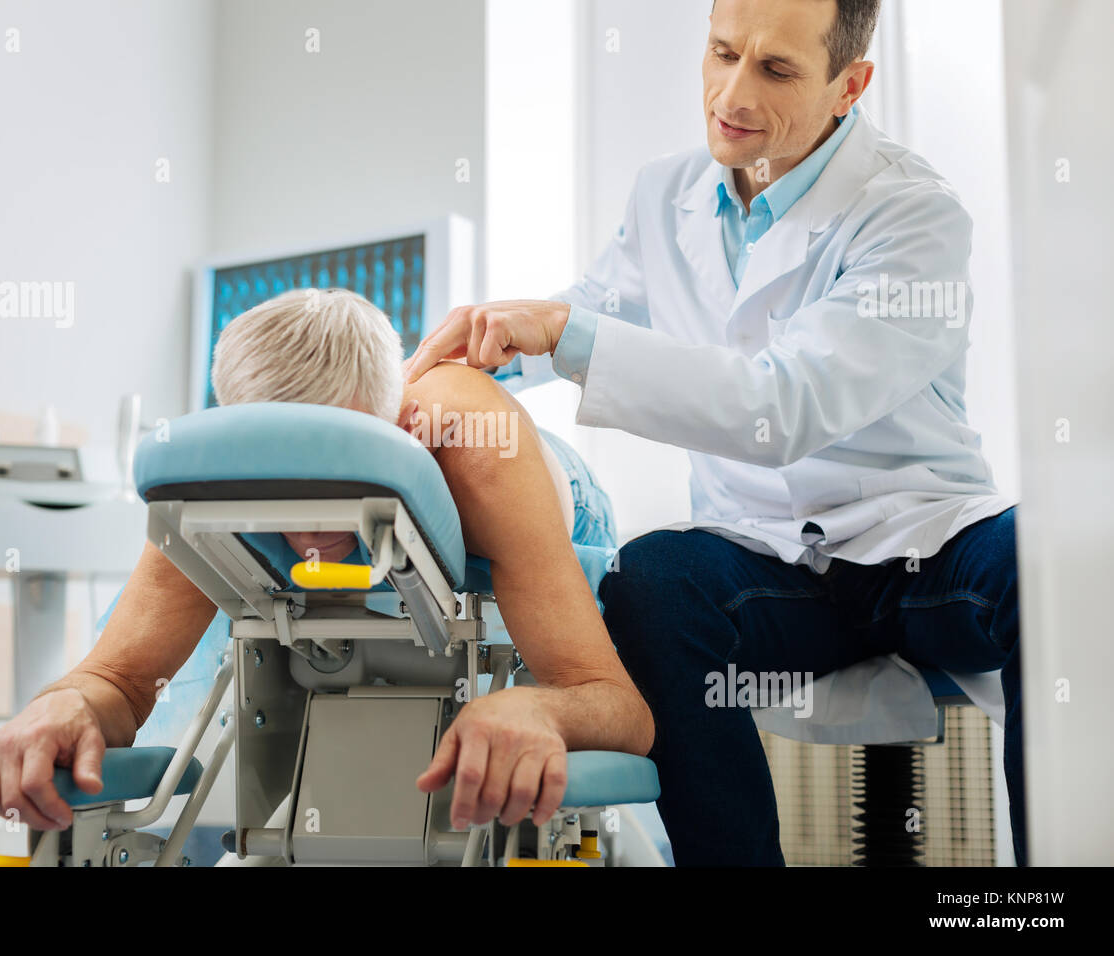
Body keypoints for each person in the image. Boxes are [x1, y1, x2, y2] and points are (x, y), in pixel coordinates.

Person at [404, 0, 1025, 864]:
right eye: (722, 53)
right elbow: (588, 317)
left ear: (850, 85)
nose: (731, 93)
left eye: (774, 70)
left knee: (1046, 572)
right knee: (654, 581)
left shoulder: (913, 215)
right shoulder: (669, 195)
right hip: (770, 562)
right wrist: (465, 356)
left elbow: (782, 404)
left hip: (918, 544)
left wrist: (561, 332)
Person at [0, 287, 650, 836]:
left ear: (397, 427)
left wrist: (541, 710)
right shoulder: (220, 476)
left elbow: (619, 706)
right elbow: (121, 679)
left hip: (543, 508)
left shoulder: (470, 442)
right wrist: (61, 706)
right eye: (292, 497)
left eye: (339, 486)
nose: (315, 538)